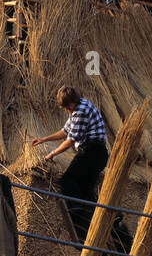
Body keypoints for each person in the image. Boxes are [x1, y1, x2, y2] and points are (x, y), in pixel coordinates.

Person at [32, 86, 110, 241]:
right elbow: (64, 131)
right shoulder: (79, 108)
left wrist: (52, 154)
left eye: (68, 107)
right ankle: (95, 230)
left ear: (73, 102)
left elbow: (70, 140)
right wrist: (43, 139)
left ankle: (80, 226)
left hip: (93, 151)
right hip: (96, 153)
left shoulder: (80, 111)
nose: (67, 110)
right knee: (86, 191)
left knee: (67, 180)